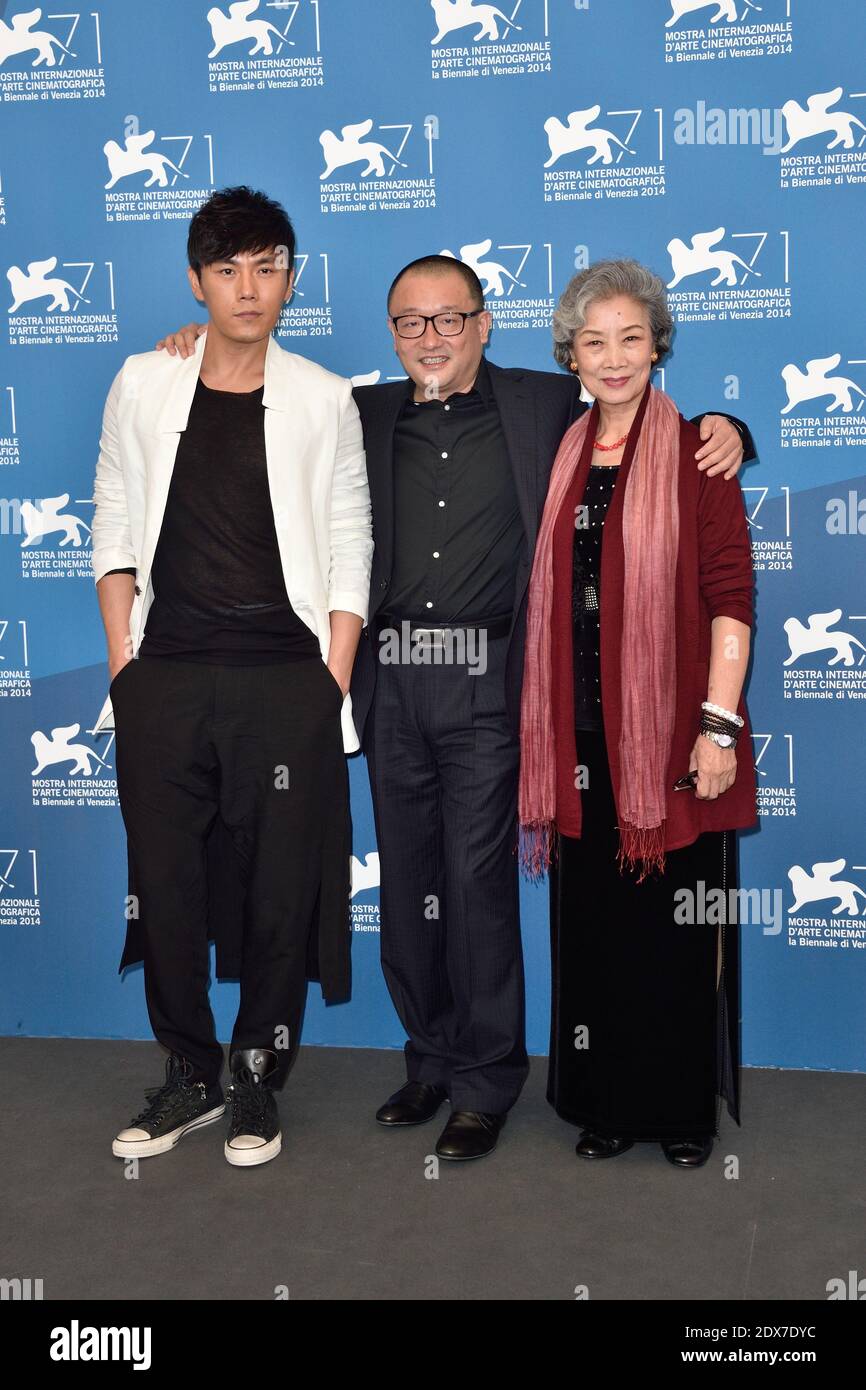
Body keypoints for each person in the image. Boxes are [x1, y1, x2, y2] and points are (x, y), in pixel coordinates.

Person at [156, 255, 752, 1161]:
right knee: (410, 882)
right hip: (390, 675)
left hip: (492, 676)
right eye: (411, 323)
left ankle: (486, 1079)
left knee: (476, 888)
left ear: (483, 324)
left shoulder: (544, 404)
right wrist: (198, 344)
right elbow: (259, 390)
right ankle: (428, 1058)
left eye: (449, 319)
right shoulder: (359, 411)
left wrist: (730, 427)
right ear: (392, 333)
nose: (430, 338)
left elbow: (641, 411)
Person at [91, 186, 372, 1167]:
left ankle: (255, 1074)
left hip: (283, 684)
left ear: (290, 277)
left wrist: (328, 684)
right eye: (227, 269)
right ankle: (189, 1071)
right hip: (164, 678)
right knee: (164, 885)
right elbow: (114, 522)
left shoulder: (324, 396)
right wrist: (125, 668)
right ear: (195, 280)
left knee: (276, 889)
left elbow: (348, 544)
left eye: (267, 266)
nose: (248, 288)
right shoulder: (142, 381)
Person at [519, 258, 757, 1168]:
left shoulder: (701, 450)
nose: (613, 357)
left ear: (657, 345)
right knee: (598, 940)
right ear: (570, 354)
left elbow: (731, 596)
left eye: (631, 337)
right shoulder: (562, 448)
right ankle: (605, 1105)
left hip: (671, 738)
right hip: (578, 739)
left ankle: (682, 1112)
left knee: (671, 935)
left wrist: (719, 727)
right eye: (593, 341)